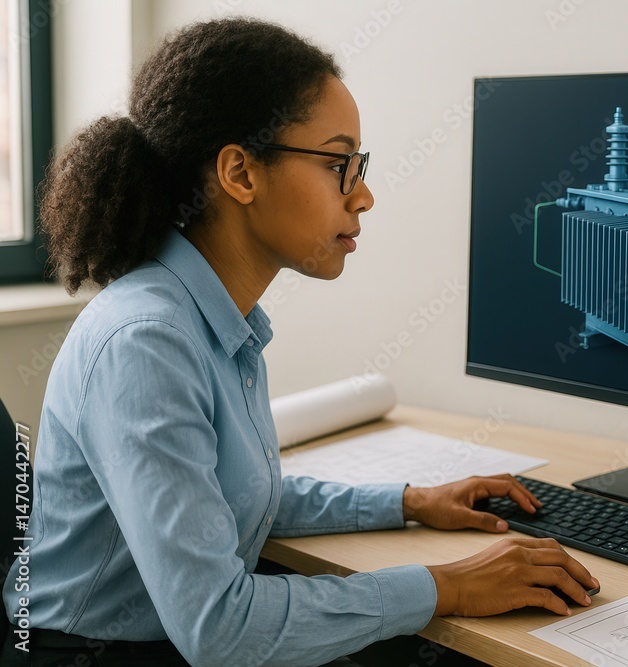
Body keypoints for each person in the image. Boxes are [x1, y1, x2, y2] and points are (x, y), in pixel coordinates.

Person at [0, 17, 597, 667]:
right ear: (240, 172)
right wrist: (450, 583)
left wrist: (412, 502)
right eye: (341, 163)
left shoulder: (215, 320)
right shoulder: (148, 343)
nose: (364, 195)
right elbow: (219, 627)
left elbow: (235, 497)